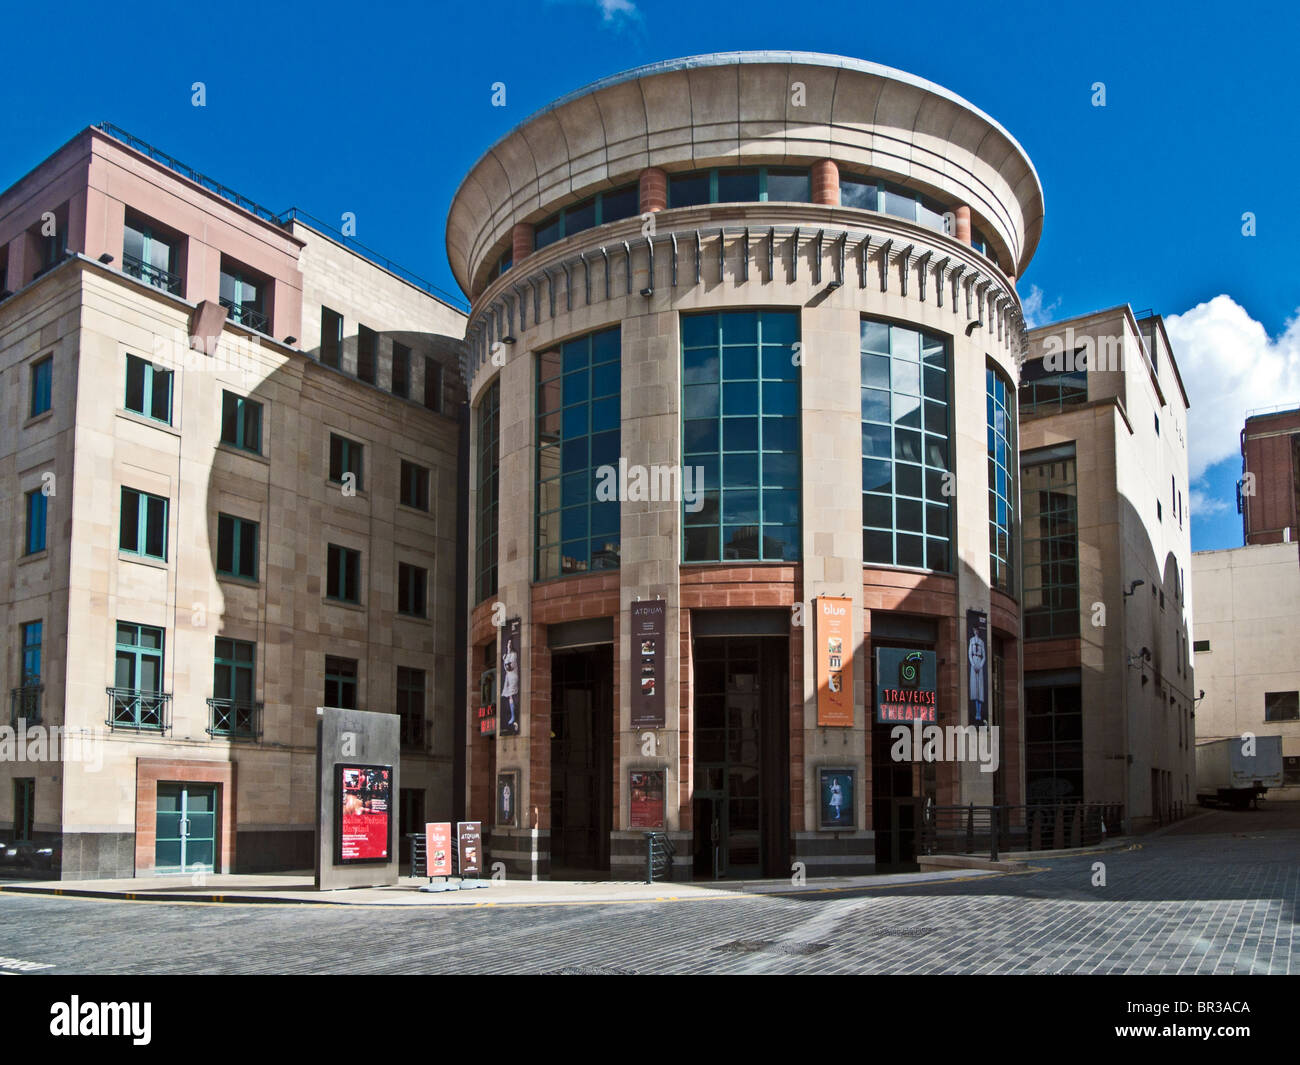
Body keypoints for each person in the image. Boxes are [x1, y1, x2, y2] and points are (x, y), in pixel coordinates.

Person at [968, 626, 987, 723]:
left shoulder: (982, 642)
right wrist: (973, 664)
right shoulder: (971, 640)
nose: (976, 631)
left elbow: (984, 656)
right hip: (974, 663)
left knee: (980, 690)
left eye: (977, 630)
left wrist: (980, 665)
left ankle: (979, 712)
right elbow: (969, 654)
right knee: (974, 689)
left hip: (979, 663)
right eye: (974, 630)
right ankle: (976, 712)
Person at [501, 637, 519, 731]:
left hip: (513, 677)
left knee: (512, 696)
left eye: (511, 643)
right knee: (509, 697)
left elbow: (509, 667)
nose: (509, 645)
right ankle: (513, 715)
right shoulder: (506, 655)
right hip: (508, 678)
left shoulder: (514, 654)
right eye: (508, 643)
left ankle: (513, 716)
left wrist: (505, 660)